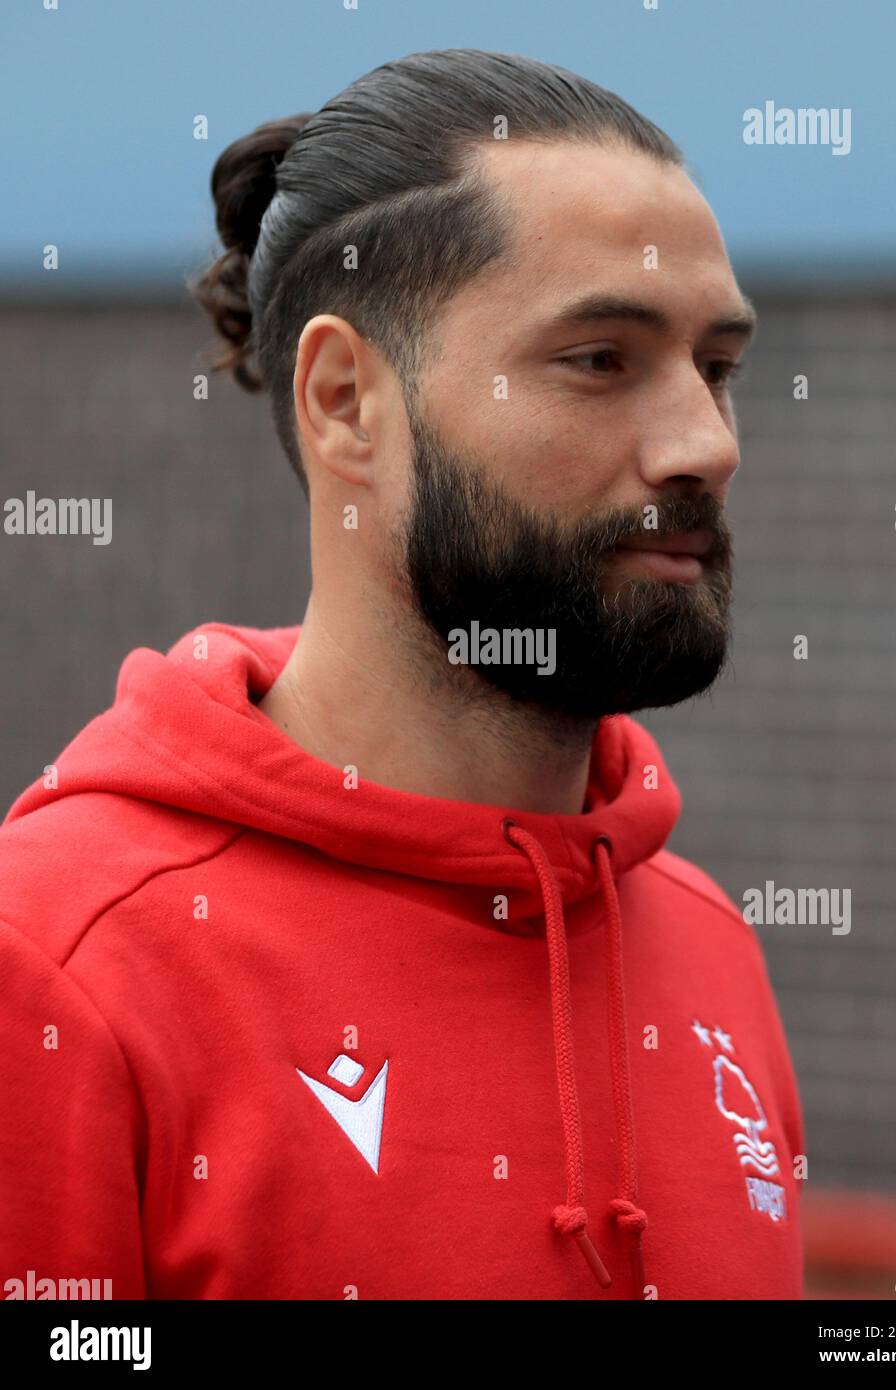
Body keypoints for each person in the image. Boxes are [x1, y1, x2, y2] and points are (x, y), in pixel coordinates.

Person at [0, 49, 803, 1300]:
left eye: (718, 367)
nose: (704, 441)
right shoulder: (59, 958)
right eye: (600, 358)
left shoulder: (706, 944)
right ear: (344, 402)